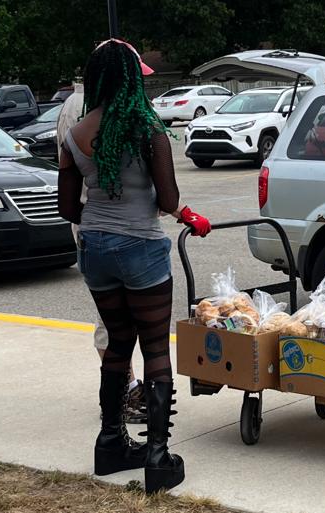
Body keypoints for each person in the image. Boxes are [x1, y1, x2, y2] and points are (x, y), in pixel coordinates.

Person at [58, 38, 211, 495]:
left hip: (95, 250)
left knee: (119, 343)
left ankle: (110, 445)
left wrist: (102, 225)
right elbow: (167, 200)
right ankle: (158, 457)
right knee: (155, 349)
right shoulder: (147, 129)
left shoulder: (74, 133)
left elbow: (68, 205)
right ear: (130, 78)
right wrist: (180, 216)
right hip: (141, 247)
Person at [56, 81, 146, 425]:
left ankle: (125, 388)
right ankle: (121, 394)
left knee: (119, 314)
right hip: (106, 226)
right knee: (115, 316)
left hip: (96, 224)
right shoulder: (94, 110)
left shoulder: (77, 105)